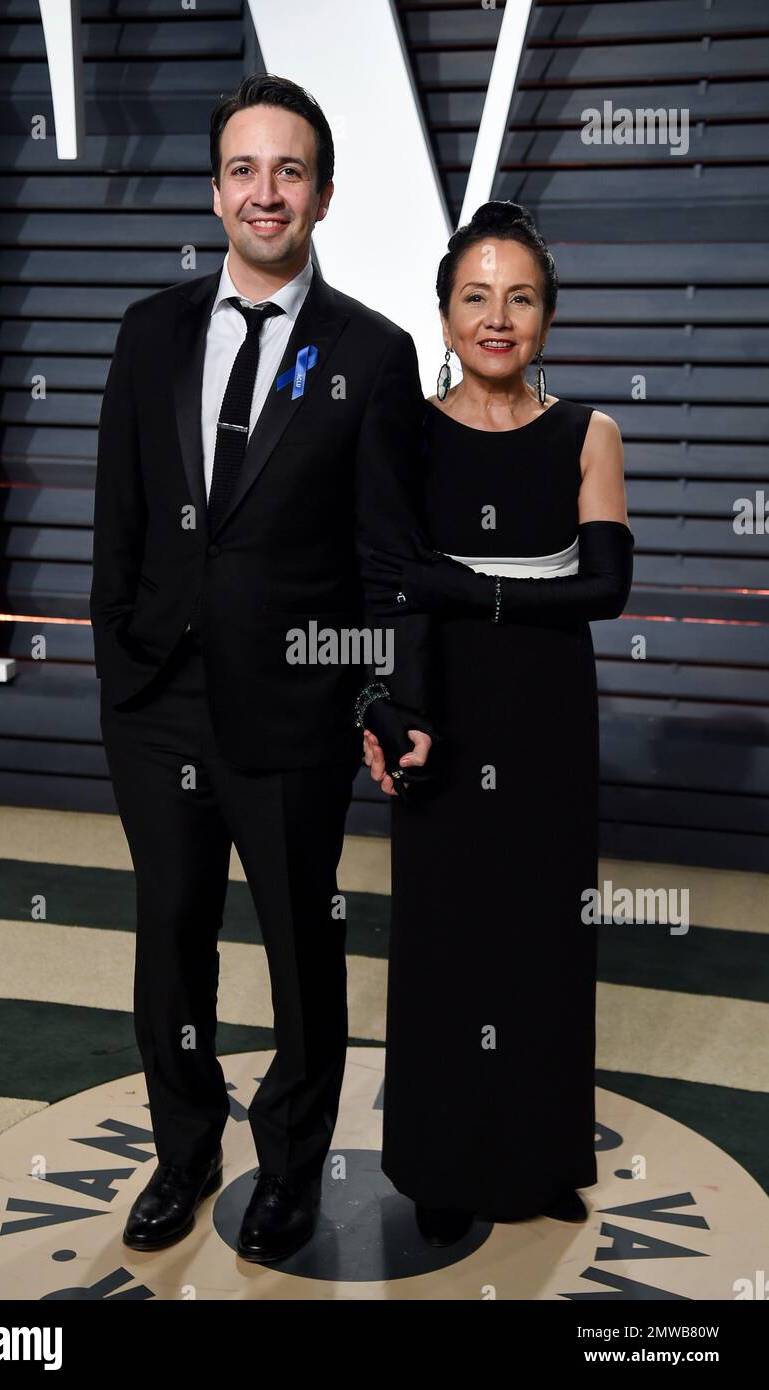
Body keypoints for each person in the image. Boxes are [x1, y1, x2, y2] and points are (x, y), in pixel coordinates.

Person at [90, 74, 433, 1264]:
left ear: (323, 195)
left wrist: (379, 693)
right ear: (216, 189)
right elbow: (119, 523)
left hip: (293, 710)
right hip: (157, 704)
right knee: (169, 939)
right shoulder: (148, 332)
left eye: (290, 170)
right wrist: (119, 672)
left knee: (302, 951)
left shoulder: (374, 355)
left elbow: (386, 561)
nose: (265, 190)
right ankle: (183, 1153)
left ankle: (290, 1166)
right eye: (245, 168)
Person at [361, 201, 634, 1244]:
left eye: (520, 297)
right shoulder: (408, 437)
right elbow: (390, 586)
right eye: (475, 296)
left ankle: (543, 1152)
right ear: (442, 315)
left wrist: (468, 587)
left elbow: (605, 587)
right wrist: (390, 706)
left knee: (546, 933)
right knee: (445, 937)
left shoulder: (588, 432)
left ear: (549, 318)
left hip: (551, 710)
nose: (497, 316)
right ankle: (441, 1161)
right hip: (444, 708)